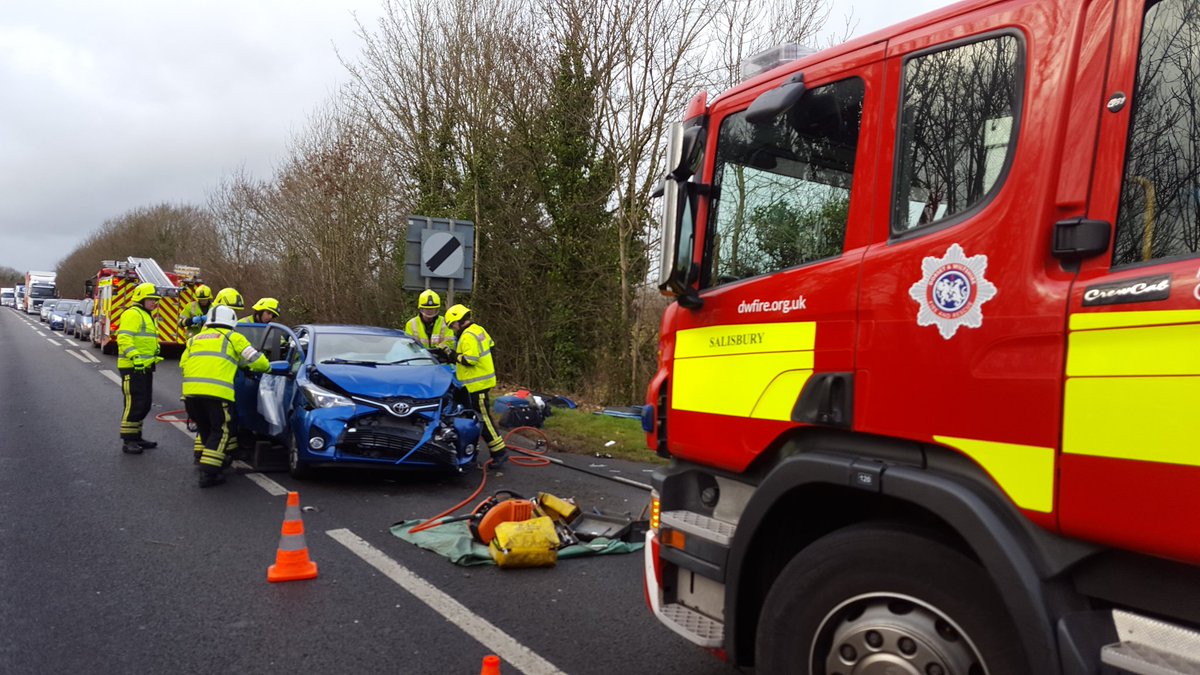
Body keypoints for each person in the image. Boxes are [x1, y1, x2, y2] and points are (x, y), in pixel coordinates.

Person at [180, 305, 270, 487]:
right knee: (221, 431)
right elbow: (257, 360)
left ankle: (214, 461)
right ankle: (209, 473)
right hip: (217, 395)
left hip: (190, 395)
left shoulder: (195, 339)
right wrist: (268, 368)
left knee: (206, 430)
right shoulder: (234, 337)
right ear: (231, 321)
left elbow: (183, 364)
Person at [444, 304, 507, 467]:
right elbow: (490, 346)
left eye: (452, 326)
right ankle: (476, 450)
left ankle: (500, 453)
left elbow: (470, 360)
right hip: (479, 383)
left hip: (477, 385)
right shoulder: (479, 329)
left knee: (484, 420)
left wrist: (453, 356)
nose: (453, 329)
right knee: (475, 419)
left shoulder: (467, 336)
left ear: (457, 322)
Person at [117, 282, 163, 454]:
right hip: (132, 367)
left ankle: (136, 436)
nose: (154, 303)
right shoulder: (133, 314)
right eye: (151, 299)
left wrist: (155, 349)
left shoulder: (146, 315)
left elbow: (145, 338)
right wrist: (134, 356)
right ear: (141, 298)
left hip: (145, 366)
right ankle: (128, 440)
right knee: (134, 403)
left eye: (156, 300)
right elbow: (124, 339)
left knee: (144, 404)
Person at [405, 290, 456, 360]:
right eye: (427, 309)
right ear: (421, 309)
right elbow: (408, 345)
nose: (429, 311)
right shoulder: (411, 323)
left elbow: (450, 343)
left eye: (432, 309)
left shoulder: (445, 322)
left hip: (441, 361)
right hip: (418, 360)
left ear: (437, 309)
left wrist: (437, 351)